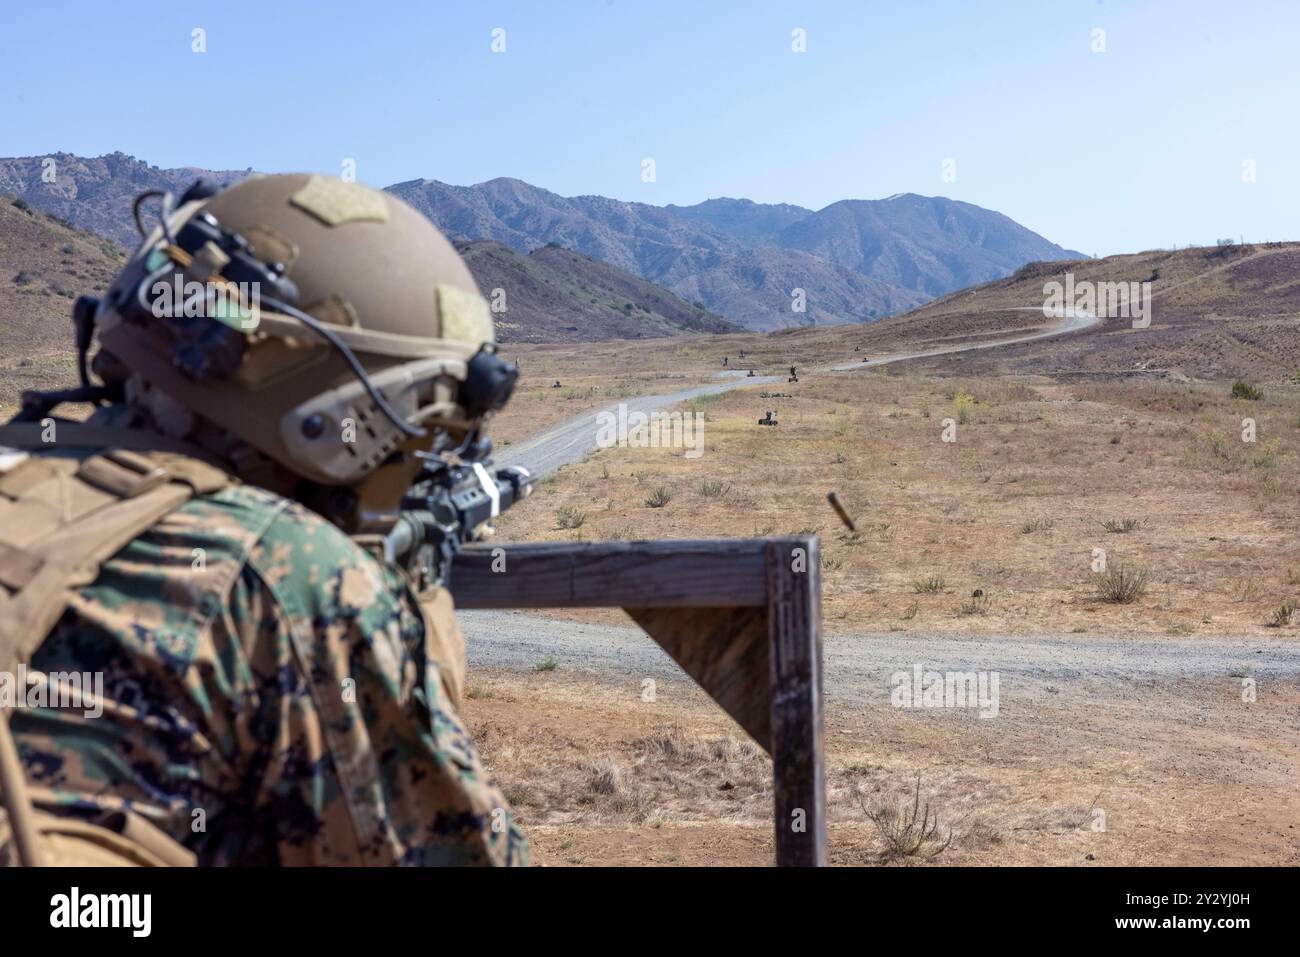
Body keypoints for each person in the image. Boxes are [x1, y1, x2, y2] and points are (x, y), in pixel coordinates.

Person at [0, 174, 528, 866]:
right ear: (344, 417)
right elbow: (461, 851)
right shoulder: (286, 573)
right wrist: (413, 621)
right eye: (417, 437)